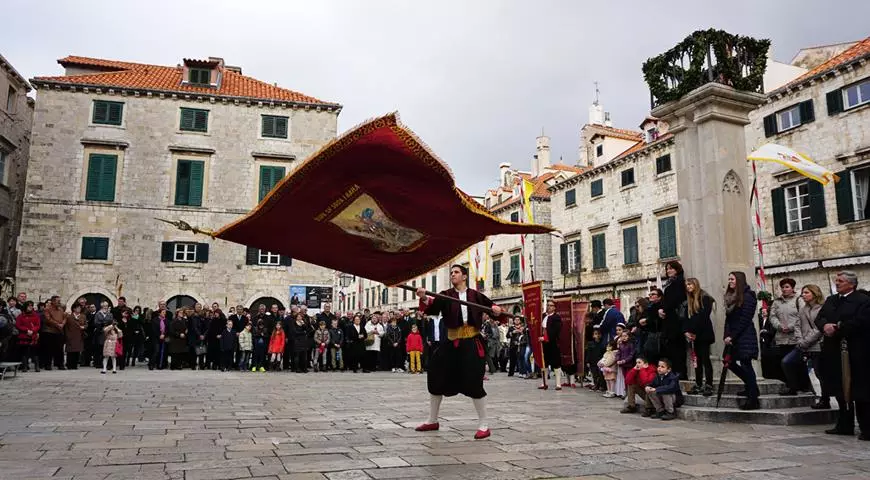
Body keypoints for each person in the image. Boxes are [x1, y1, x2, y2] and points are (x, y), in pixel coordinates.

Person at [415, 264, 503, 440]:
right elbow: (432, 308)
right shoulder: (445, 295)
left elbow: (494, 310)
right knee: (435, 375)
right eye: (451, 272)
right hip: (450, 342)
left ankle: (484, 424)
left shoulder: (476, 296)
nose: (452, 275)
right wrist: (424, 297)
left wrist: (496, 310)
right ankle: (432, 420)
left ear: (464, 276)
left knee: (474, 381)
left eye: (456, 272)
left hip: (471, 343)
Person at [815, 271, 870, 439]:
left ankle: (866, 427)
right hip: (834, 351)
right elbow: (820, 317)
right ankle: (844, 424)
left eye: (841, 281)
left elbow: (861, 322)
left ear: (851, 284)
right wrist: (824, 326)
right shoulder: (832, 300)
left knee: (860, 391)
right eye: (836, 280)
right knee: (840, 389)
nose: (837, 283)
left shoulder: (863, 301)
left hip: (857, 351)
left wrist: (838, 328)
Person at [723, 271, 760, 411]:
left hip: (744, 335)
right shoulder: (730, 297)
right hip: (733, 335)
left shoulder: (748, 296)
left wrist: (732, 336)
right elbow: (729, 318)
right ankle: (752, 387)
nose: (730, 281)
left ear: (739, 280)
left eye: (732, 279)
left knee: (746, 364)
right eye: (729, 279)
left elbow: (745, 319)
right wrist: (727, 335)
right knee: (728, 361)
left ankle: (753, 398)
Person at [783, 285, 824, 399]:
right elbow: (797, 325)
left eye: (806, 293)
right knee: (787, 361)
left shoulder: (821, 308)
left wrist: (806, 341)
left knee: (819, 373)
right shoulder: (803, 309)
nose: (803, 295)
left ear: (814, 294)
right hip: (802, 344)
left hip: (816, 345)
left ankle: (824, 398)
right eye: (803, 293)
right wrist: (800, 339)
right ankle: (794, 386)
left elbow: (818, 329)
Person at [767, 278, 801, 389]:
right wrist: (779, 326)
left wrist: (791, 327)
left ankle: (801, 385)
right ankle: (790, 385)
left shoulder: (798, 300)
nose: (784, 289)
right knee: (784, 362)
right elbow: (772, 316)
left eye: (787, 287)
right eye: (783, 287)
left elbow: (801, 316)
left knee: (795, 363)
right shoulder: (777, 302)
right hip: (781, 337)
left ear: (792, 288)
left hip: (795, 337)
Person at [684, 278, 716, 396]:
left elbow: (703, 316)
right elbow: (687, 318)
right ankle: (698, 383)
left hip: (703, 334)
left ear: (695, 284)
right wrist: (686, 331)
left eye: (690, 284)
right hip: (694, 336)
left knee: (705, 359)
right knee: (697, 360)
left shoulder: (705, 298)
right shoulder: (689, 300)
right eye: (686, 285)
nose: (688, 286)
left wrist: (693, 331)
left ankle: (708, 384)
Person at [659, 261, 688, 380]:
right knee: (672, 349)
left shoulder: (679, 282)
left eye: (671, 268)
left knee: (677, 349)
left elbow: (675, 299)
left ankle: (680, 373)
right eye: (667, 269)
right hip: (670, 320)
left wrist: (664, 309)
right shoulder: (670, 283)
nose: (668, 271)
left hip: (676, 321)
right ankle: (675, 372)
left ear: (677, 269)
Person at [539, 299, 563, 390]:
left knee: (556, 363)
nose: (549, 307)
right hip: (543, 344)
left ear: (554, 307)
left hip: (553, 343)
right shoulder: (543, 316)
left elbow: (555, 331)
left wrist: (545, 337)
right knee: (544, 363)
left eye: (551, 305)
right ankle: (544, 382)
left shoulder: (557, 317)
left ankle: (558, 384)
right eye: (548, 305)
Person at [42, 296, 66, 370]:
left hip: (59, 331)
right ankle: (48, 364)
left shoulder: (61, 309)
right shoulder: (47, 309)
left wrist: (63, 324)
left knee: (59, 349)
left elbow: (65, 317)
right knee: (49, 349)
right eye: (57, 301)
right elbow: (48, 319)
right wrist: (57, 324)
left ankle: (60, 364)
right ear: (53, 301)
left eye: (59, 301)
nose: (59, 302)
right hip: (50, 331)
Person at [15, 301, 40, 372]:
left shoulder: (35, 315)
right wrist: (26, 330)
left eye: (31, 306)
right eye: (29, 306)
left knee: (34, 352)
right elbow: (18, 325)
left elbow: (37, 325)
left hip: (33, 335)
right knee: (24, 352)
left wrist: (33, 330)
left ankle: (37, 367)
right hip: (24, 335)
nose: (30, 307)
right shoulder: (21, 316)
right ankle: (25, 367)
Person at [64, 304, 87, 370]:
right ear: (74, 309)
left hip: (79, 335)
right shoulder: (69, 316)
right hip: (70, 335)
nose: (79, 309)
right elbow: (66, 327)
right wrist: (67, 335)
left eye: (80, 308)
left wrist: (84, 327)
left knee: (77, 351)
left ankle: (75, 365)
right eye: (78, 308)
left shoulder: (83, 316)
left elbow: (86, 324)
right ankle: (69, 365)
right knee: (70, 351)